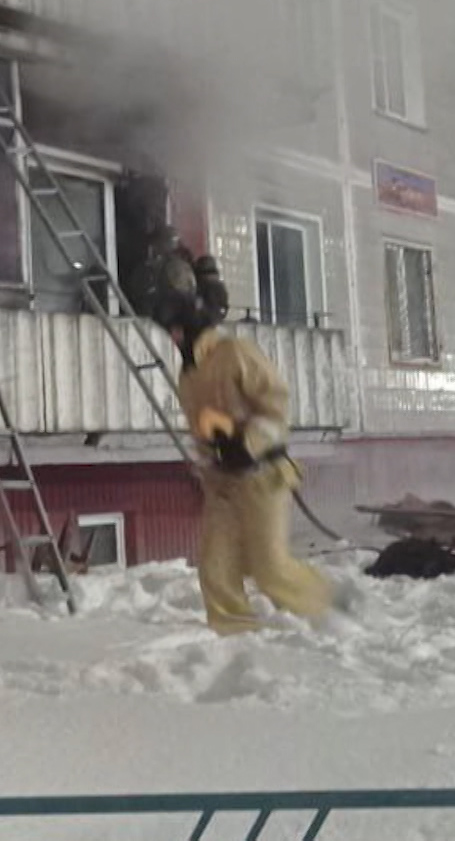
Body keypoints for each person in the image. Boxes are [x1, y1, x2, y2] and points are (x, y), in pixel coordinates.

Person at [150, 251, 341, 635]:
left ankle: (332, 608)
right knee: (215, 569)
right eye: (168, 329)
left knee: (270, 570)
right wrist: (209, 466)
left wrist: (246, 442)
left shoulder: (235, 354)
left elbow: (277, 409)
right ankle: (235, 638)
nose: (173, 336)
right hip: (223, 483)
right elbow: (202, 432)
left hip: (262, 476)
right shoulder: (189, 375)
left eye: (177, 327)